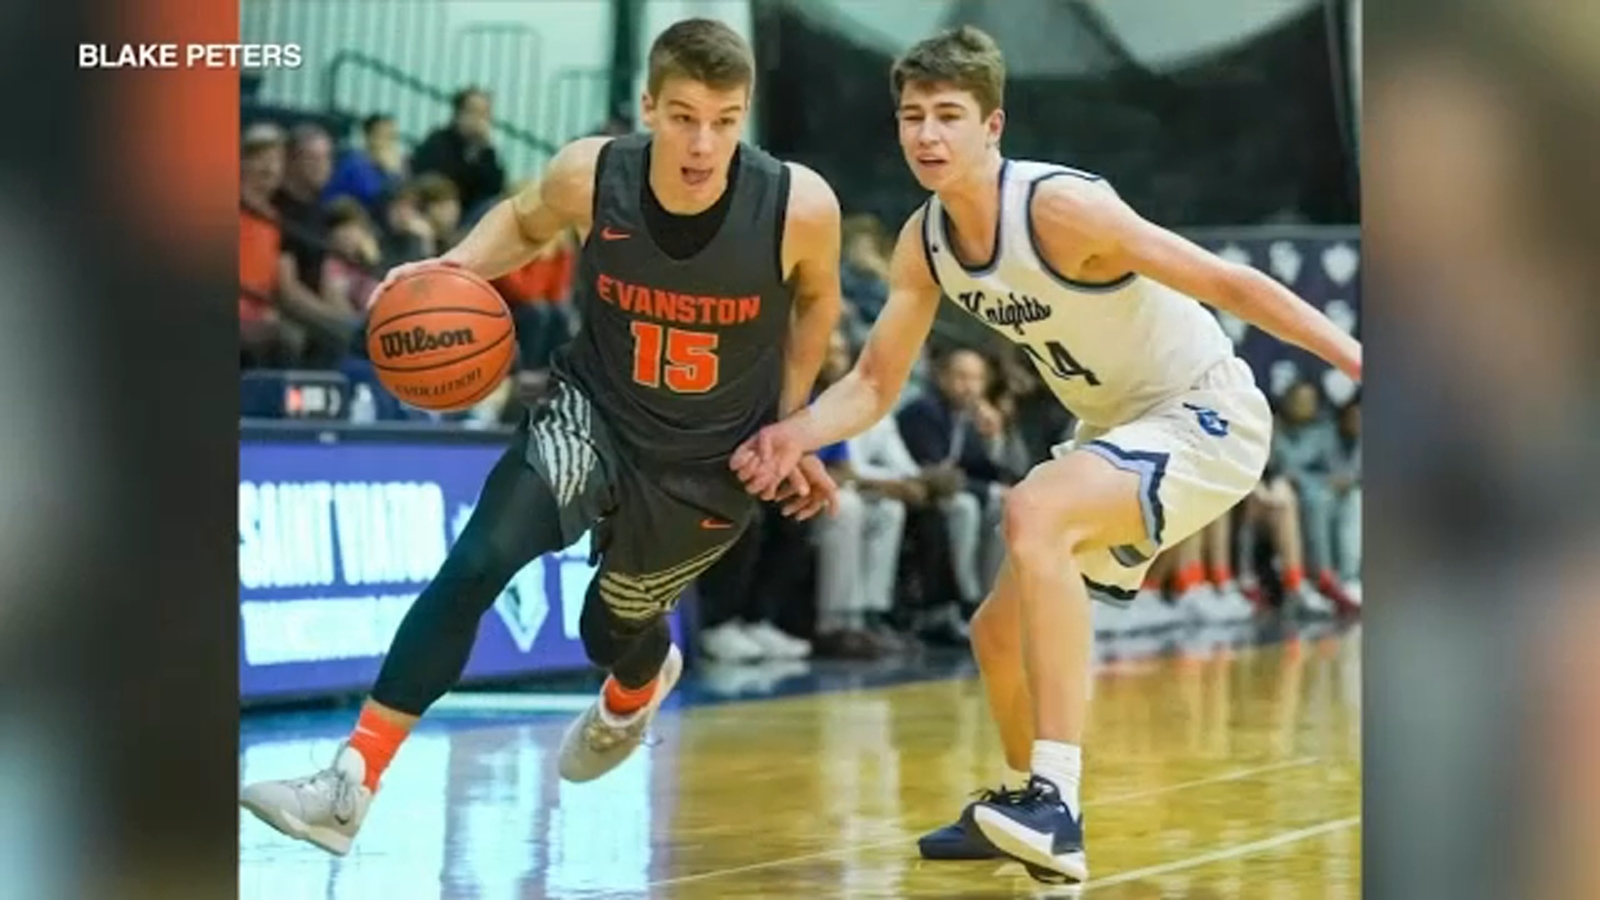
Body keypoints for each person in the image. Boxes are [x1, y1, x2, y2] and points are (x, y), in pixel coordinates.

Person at [730, 25, 1361, 884]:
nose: (926, 134)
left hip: (1202, 410)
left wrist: (1361, 359)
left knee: (1032, 509)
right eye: (912, 116)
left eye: (948, 115)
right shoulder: (926, 242)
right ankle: (1034, 811)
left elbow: (1230, 284)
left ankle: (1055, 803)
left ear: (992, 127)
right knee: (996, 634)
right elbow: (875, 382)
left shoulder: (1061, 210)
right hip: (1114, 429)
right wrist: (791, 433)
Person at [239, 18, 843, 857]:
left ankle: (634, 686)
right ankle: (349, 786)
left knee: (609, 632)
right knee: (478, 559)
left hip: (709, 461)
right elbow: (525, 223)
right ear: (649, 108)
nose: (703, 144)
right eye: (683, 118)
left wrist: (794, 424)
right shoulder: (592, 173)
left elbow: (816, 299)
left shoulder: (797, 205)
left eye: (725, 121)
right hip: (592, 414)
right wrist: (451, 268)